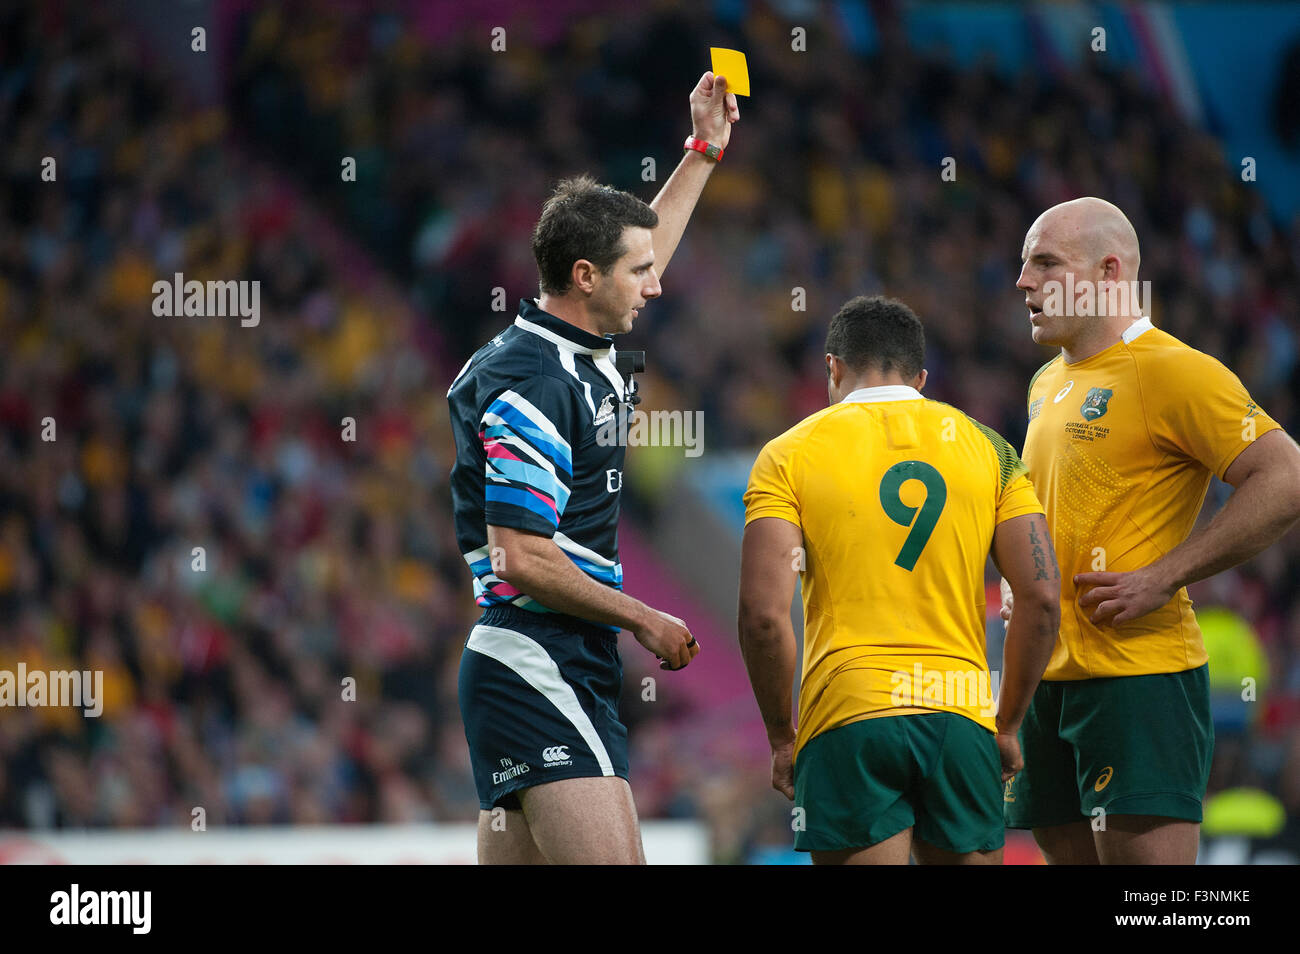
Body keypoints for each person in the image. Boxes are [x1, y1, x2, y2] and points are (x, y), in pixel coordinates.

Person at [446, 72, 738, 864]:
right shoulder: (536, 384)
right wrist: (642, 616)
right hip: (537, 657)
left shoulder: (574, 344)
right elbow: (520, 553)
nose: (658, 281)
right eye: (638, 272)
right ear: (585, 278)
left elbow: (643, 245)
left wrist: (703, 152)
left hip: (548, 659)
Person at [1002, 196, 1300, 864]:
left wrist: (1164, 576)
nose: (1023, 281)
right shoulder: (1046, 381)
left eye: (1046, 263)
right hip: (1047, 678)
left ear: (1110, 272)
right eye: (1024, 264)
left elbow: (1286, 478)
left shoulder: (1173, 370)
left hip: (1136, 677)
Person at [738, 295, 1060, 865]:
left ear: (833, 367)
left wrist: (781, 738)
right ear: (922, 378)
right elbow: (1040, 598)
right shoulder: (991, 448)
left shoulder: (787, 454)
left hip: (848, 713)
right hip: (961, 712)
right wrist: (1007, 724)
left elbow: (764, 618)